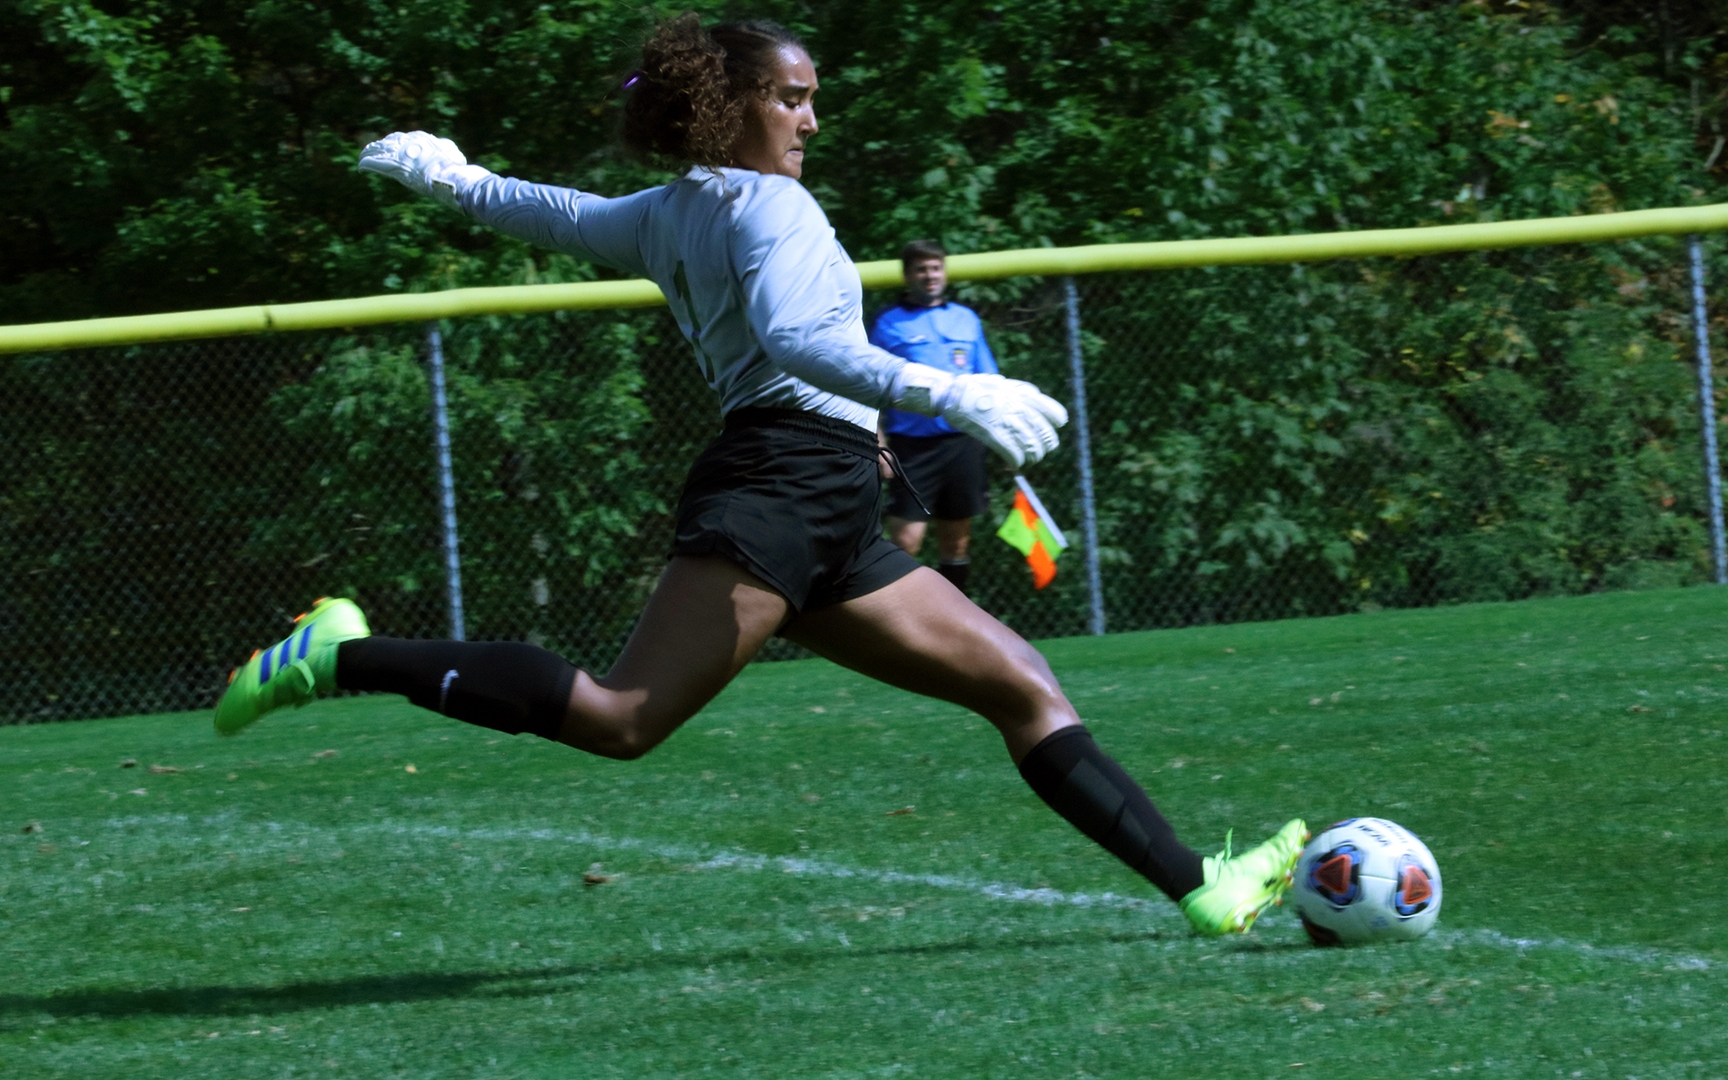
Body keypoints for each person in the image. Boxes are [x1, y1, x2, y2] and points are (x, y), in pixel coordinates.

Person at [210, 14, 1305, 936]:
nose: (810, 120)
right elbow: (795, 338)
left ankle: (1199, 888)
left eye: (810, 99)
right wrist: (948, 392)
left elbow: (553, 213)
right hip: (787, 480)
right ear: (726, 103)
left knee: (1020, 684)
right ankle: (338, 655)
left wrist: (455, 180)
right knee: (621, 717)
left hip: (825, 494)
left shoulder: (674, 210)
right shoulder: (767, 204)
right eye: (790, 98)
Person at [872, 240, 994, 596]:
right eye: (921, 269)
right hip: (911, 447)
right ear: (907, 275)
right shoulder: (887, 323)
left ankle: (956, 616)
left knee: (956, 542)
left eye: (936, 268)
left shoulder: (966, 319)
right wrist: (878, 441)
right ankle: (898, 618)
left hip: (962, 442)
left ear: (944, 272)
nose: (930, 275)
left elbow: (989, 382)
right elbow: (868, 387)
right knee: (905, 541)